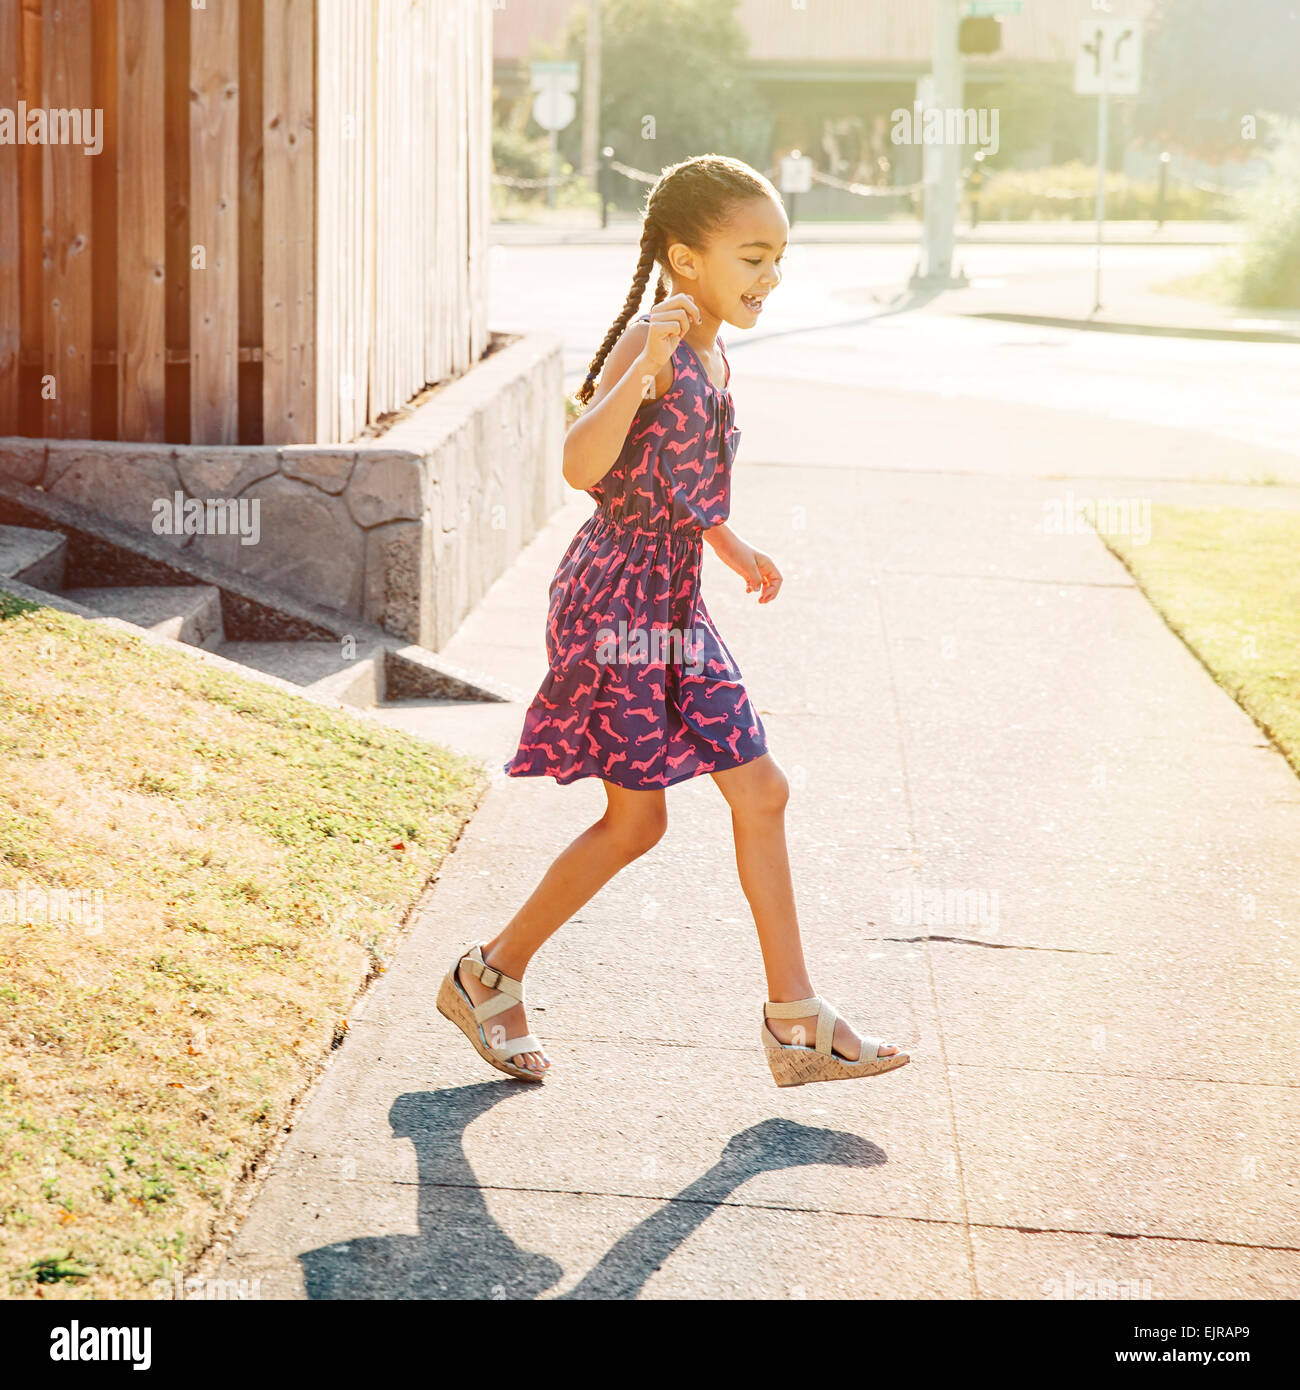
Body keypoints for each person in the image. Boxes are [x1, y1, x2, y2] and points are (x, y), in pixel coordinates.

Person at [436, 154, 910, 1088]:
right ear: (686, 259)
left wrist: (725, 541)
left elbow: (670, 469)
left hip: (675, 594)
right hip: (616, 601)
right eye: (754, 259)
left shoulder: (715, 346)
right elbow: (581, 466)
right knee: (640, 821)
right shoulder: (653, 343)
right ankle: (489, 976)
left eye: (778, 259)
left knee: (751, 794)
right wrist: (642, 369)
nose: (771, 278)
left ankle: (791, 1018)